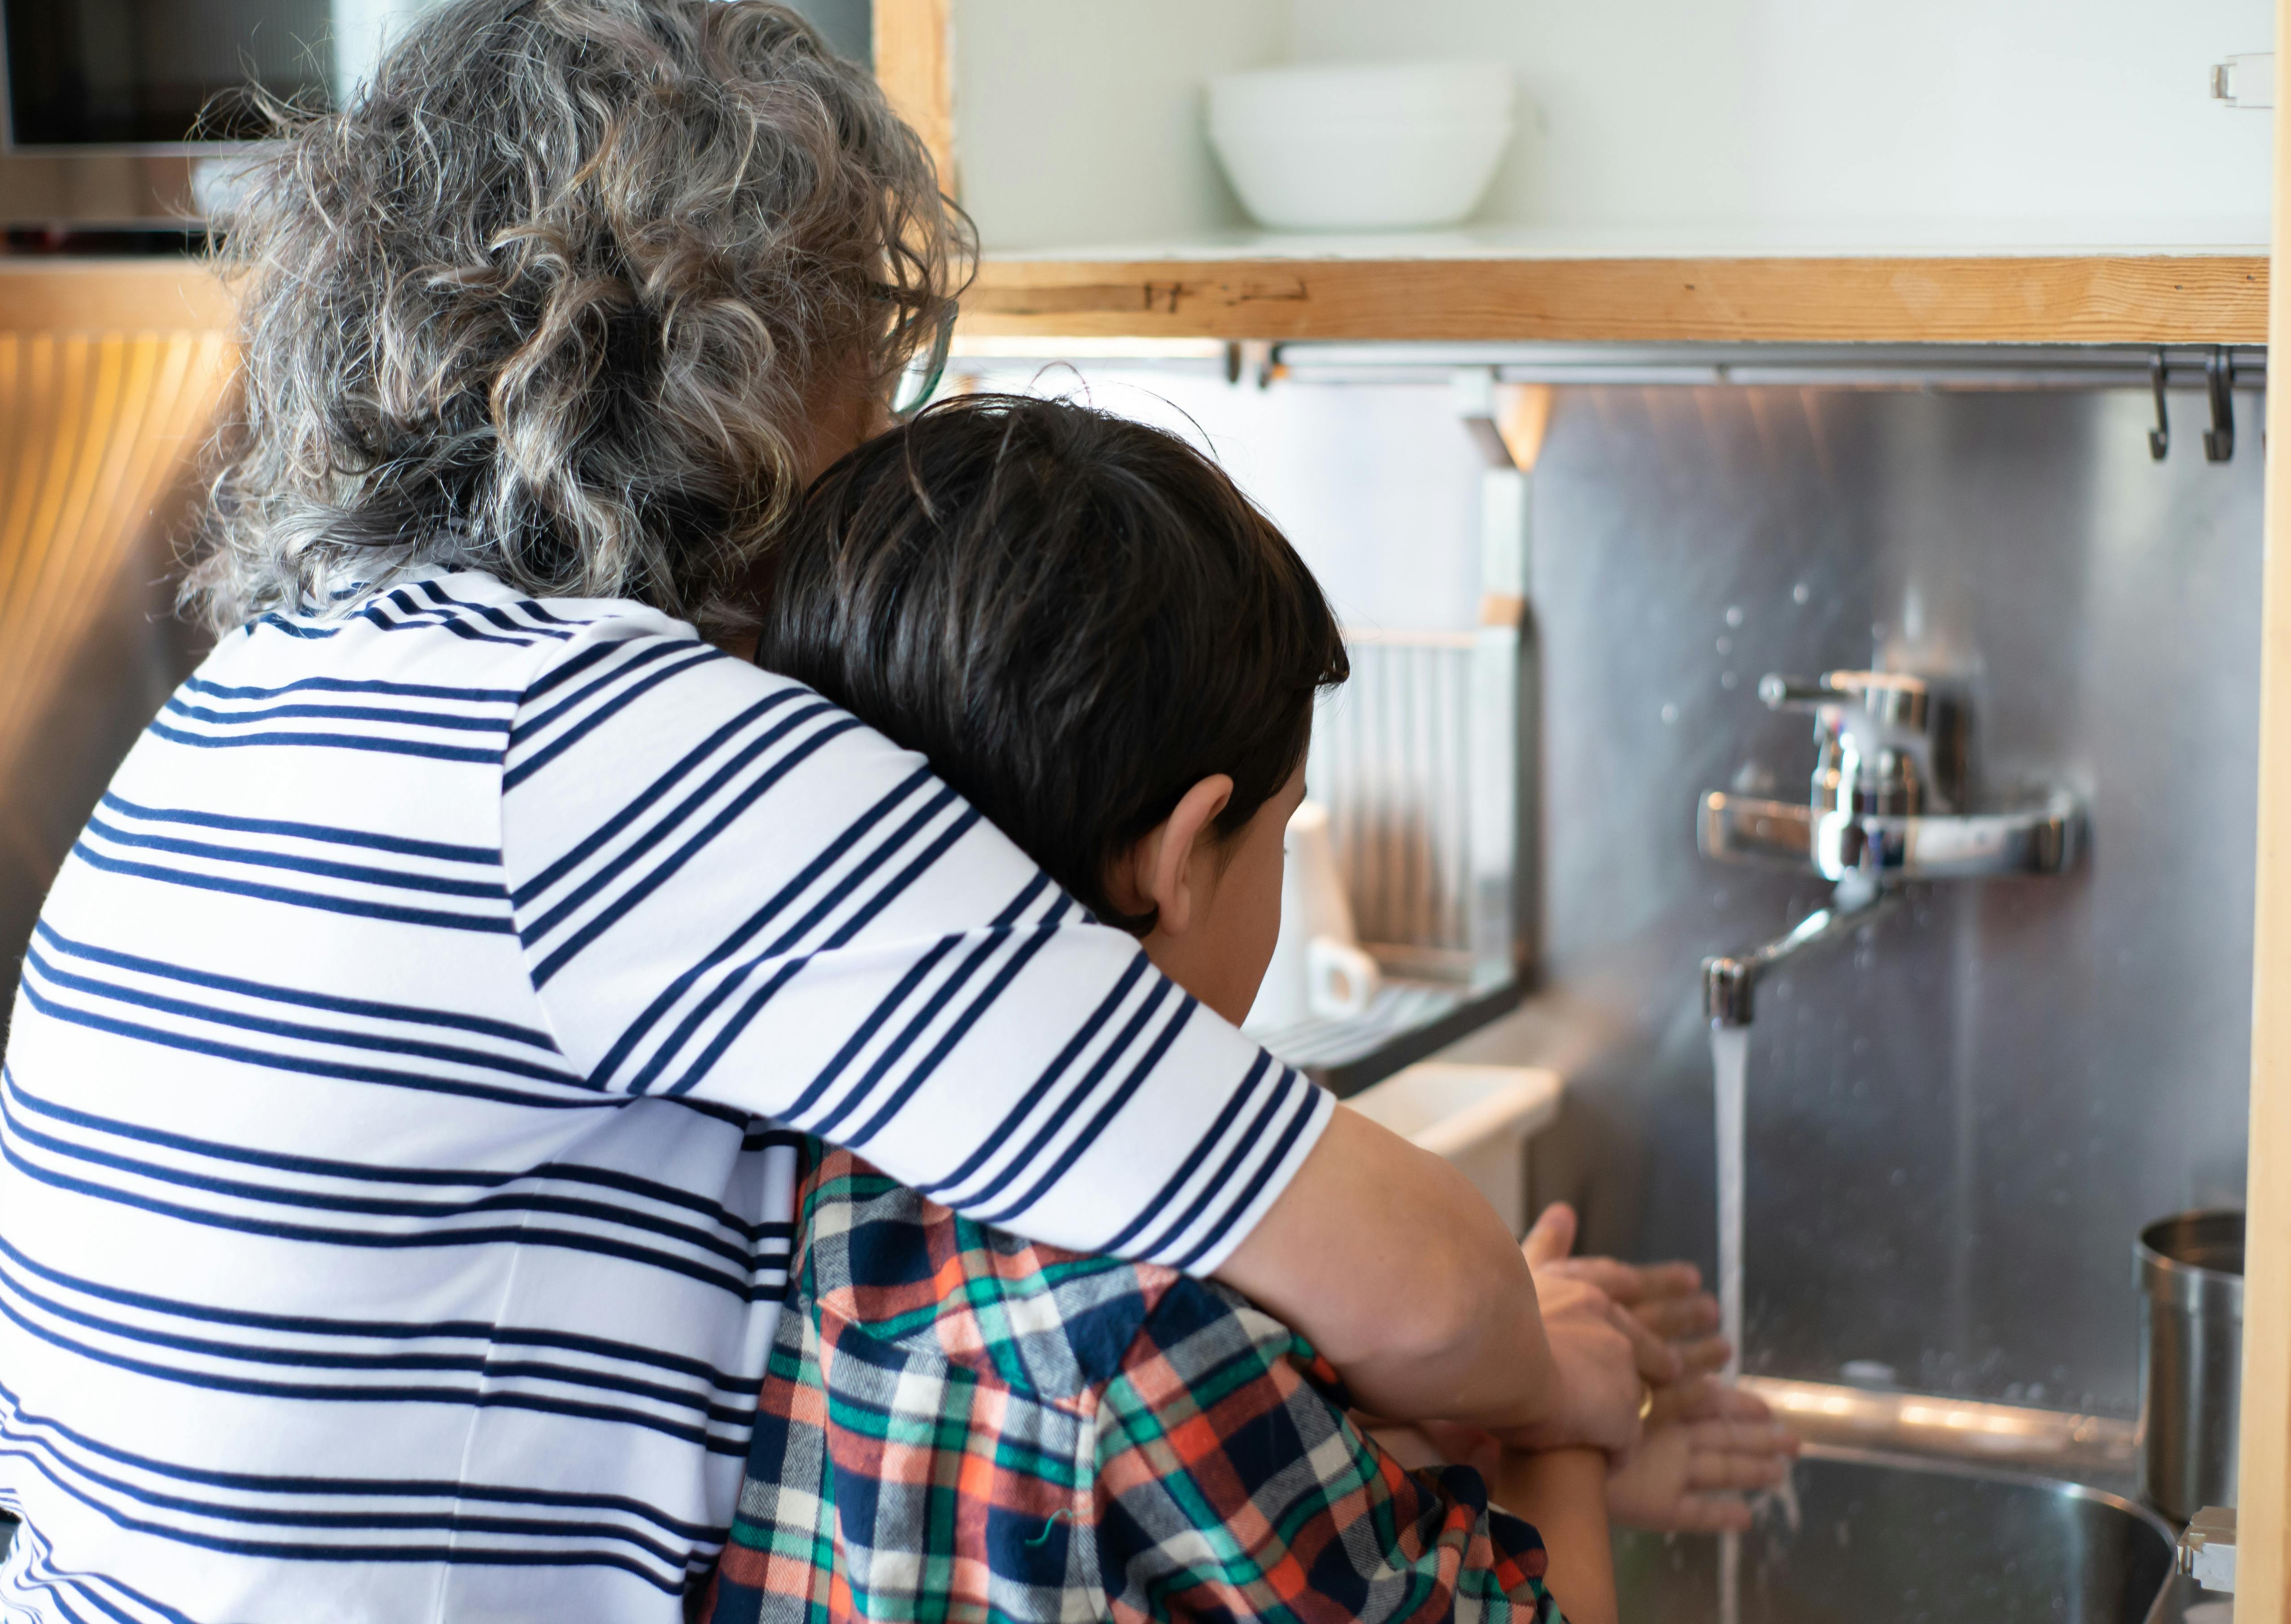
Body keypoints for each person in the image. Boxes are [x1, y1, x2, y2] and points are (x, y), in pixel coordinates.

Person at [0, 0, 1668, 1624]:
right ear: (741, 370)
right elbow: (1423, 1281)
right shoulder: (603, 746)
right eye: (869, 357)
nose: (885, 437)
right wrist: (1557, 1389)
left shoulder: (272, 691)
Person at [699, 395, 1795, 1624]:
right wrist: (1560, 1429)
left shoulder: (761, 1166)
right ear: (1175, 861)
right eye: (1279, 826)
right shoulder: (1158, 1333)